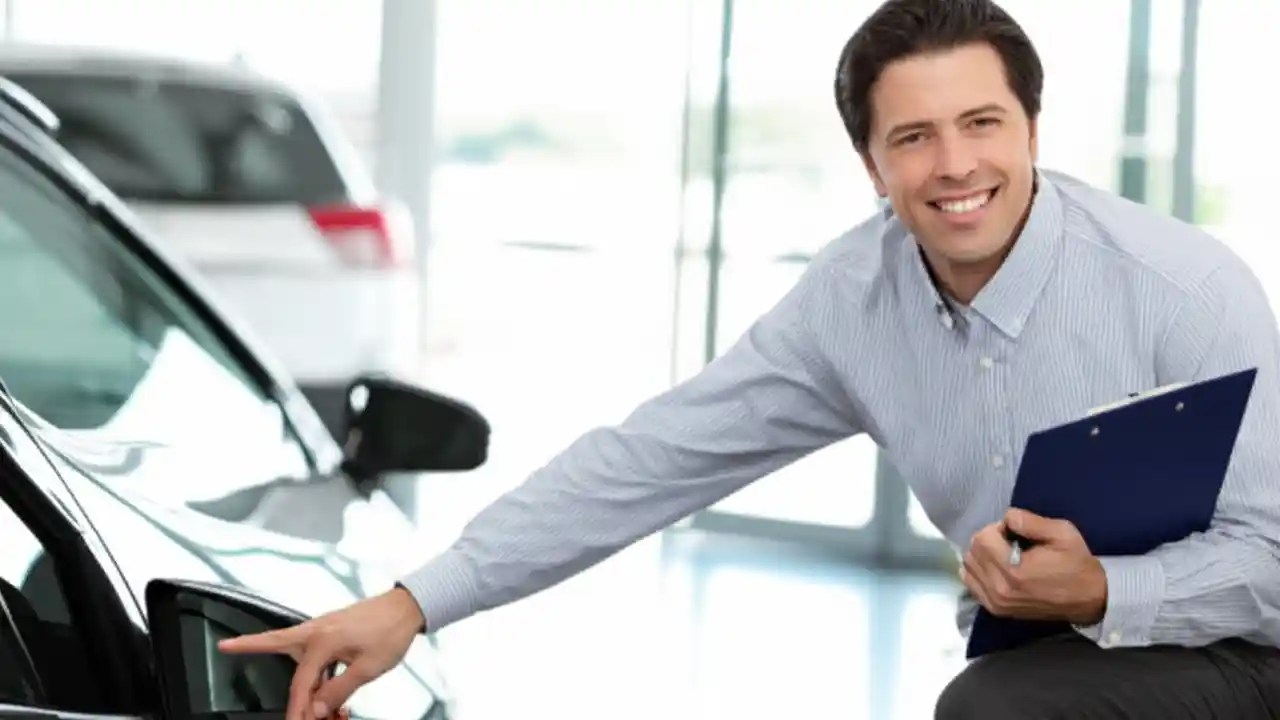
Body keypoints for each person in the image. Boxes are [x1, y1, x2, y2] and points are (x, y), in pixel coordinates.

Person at [220, 0, 1280, 717]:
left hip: (1234, 642)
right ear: (869, 160)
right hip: (1035, 658)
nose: (953, 165)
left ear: (1033, 129)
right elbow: (649, 461)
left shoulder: (1182, 289)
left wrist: (1102, 593)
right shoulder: (851, 301)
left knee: (992, 709)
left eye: (980, 123)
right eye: (910, 137)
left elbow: (1274, 565)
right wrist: (410, 603)